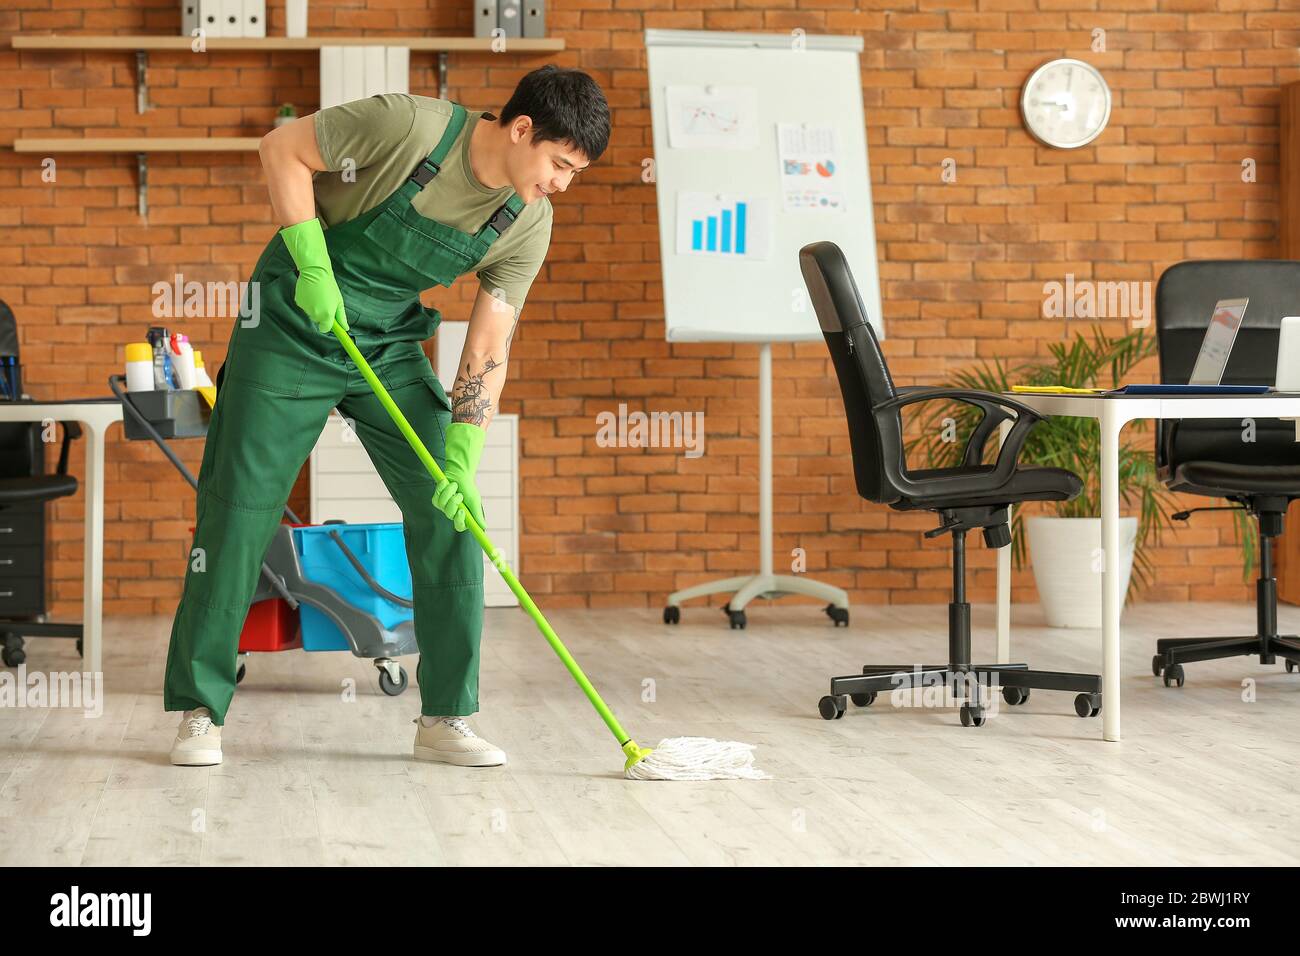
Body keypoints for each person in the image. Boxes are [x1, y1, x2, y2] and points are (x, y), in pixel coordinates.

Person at [164, 66, 611, 767]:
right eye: (559, 164)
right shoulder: (411, 128)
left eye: (573, 173)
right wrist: (311, 264)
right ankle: (200, 710)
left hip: (388, 339)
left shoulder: (528, 220)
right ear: (522, 130)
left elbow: (488, 341)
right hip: (290, 322)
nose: (561, 184)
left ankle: (446, 718)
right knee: (239, 508)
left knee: (453, 511)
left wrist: (462, 456)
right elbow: (282, 148)